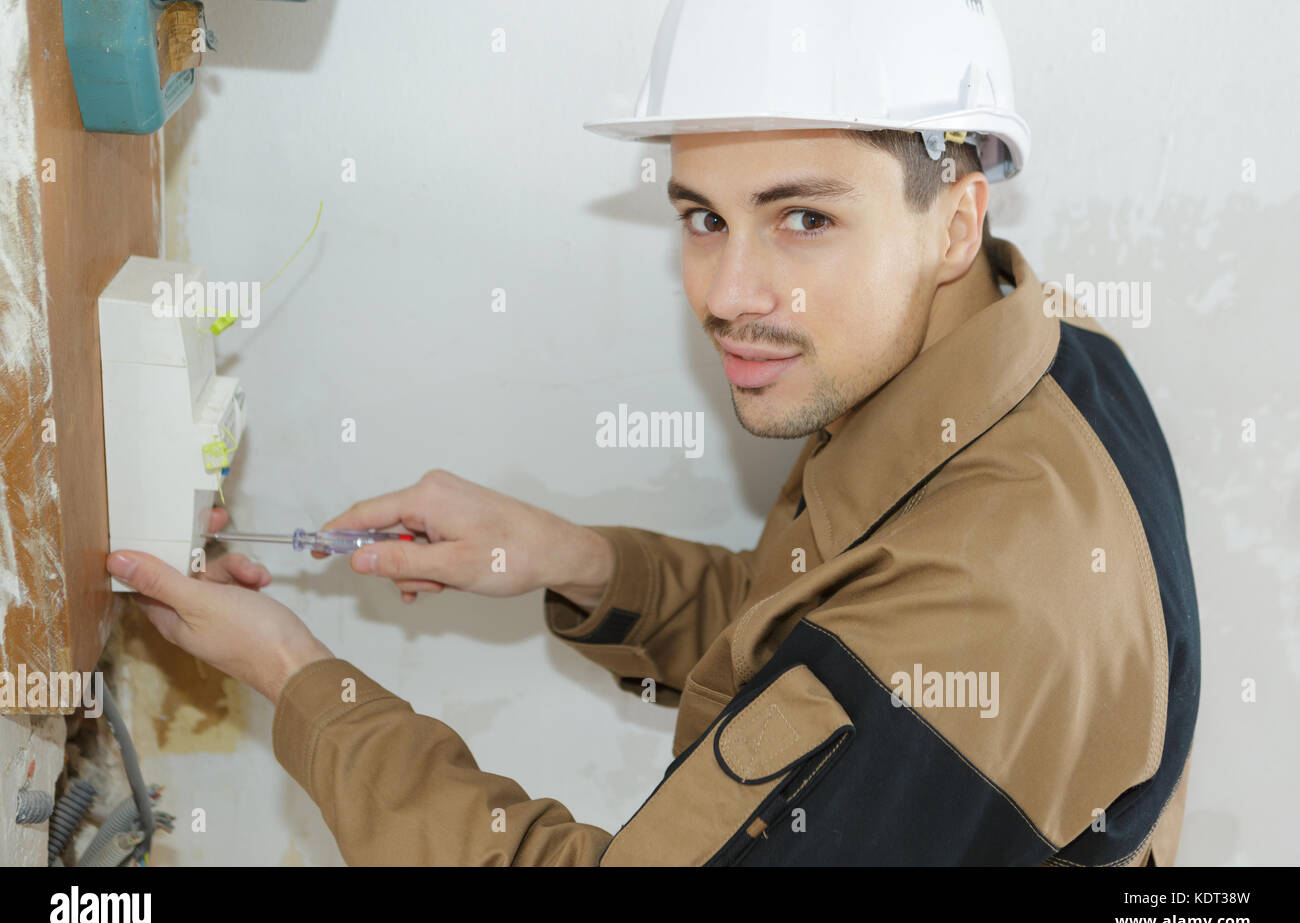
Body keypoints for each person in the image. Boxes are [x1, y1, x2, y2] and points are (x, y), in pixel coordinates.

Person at [106, 0, 1199, 865]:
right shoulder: (1038, 353)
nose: (726, 293)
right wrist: (571, 558)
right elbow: (821, 631)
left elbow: (887, 648)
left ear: (955, 220)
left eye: (805, 218)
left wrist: (297, 674)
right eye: (703, 217)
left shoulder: (979, 617)